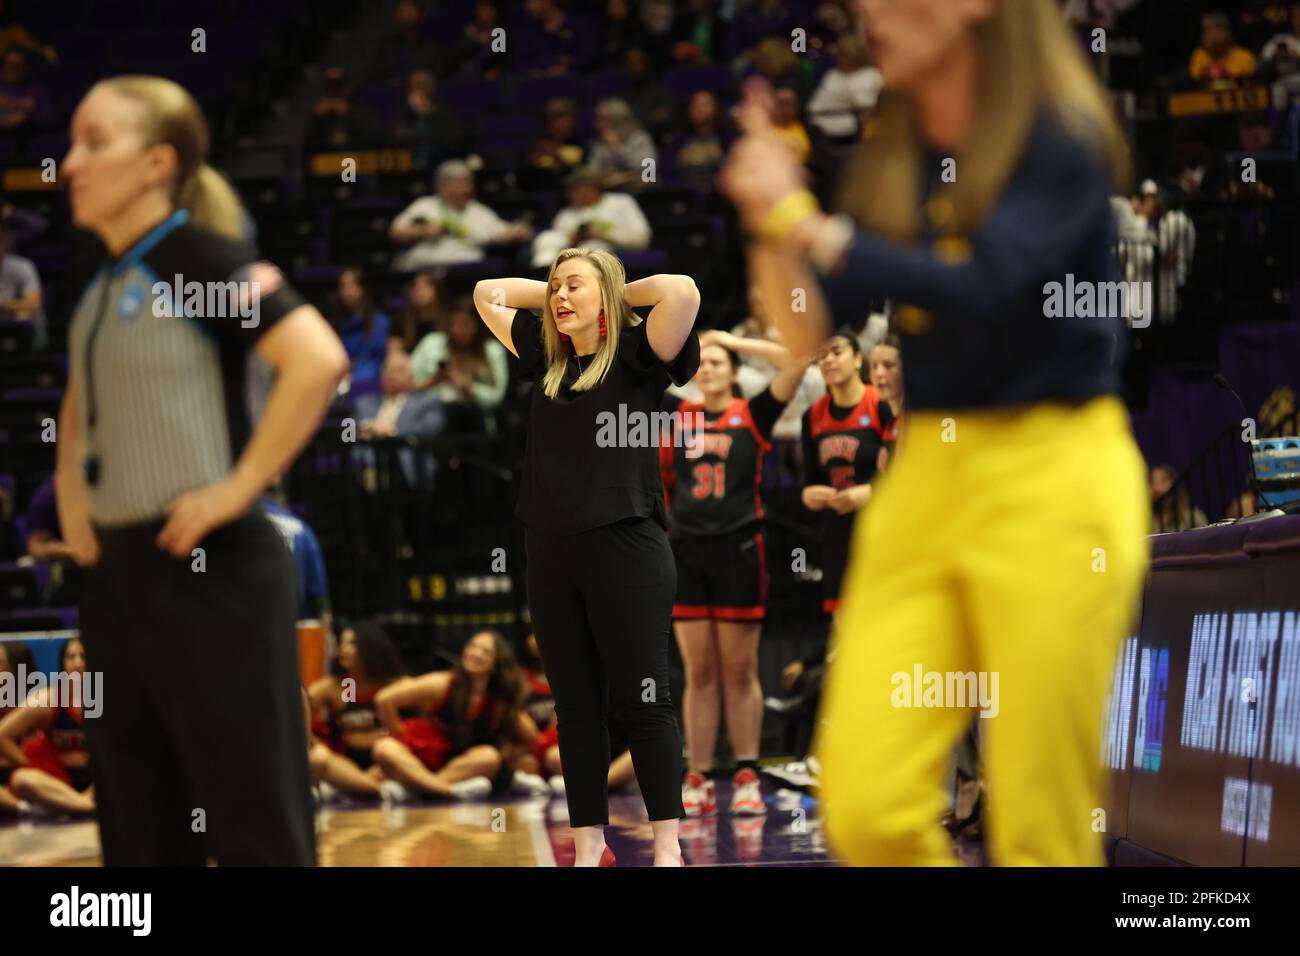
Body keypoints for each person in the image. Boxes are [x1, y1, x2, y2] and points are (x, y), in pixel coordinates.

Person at [719, 0, 1149, 866]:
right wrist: (766, 217)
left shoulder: (1058, 134)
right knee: (867, 809)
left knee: (1041, 830)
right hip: (924, 479)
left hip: (1053, 473)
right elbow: (805, 329)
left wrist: (806, 223)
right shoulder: (897, 154)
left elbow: (988, 284)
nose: (869, 10)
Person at [55, 75, 348, 865]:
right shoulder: (103, 278)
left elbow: (316, 359)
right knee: (137, 830)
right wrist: (71, 489)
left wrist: (238, 488)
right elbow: (82, 397)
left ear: (157, 163)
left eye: (94, 143)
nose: (69, 163)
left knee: (255, 826)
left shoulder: (197, 260)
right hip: (119, 575)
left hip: (211, 568)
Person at [472, 251, 699, 866]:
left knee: (644, 700)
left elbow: (681, 288)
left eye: (573, 286)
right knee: (574, 708)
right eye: (554, 287)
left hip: (626, 546)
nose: (559, 295)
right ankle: (589, 848)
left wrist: (612, 295)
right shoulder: (547, 357)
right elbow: (487, 292)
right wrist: (562, 293)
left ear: (609, 297)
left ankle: (667, 848)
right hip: (548, 548)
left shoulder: (638, 351)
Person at [661, 328, 807, 817]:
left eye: (718, 362)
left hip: (740, 551)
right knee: (699, 672)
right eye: (702, 361)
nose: (708, 368)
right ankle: (698, 776)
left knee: (740, 670)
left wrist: (734, 341)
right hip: (687, 552)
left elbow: (795, 361)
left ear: (735, 372)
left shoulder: (753, 414)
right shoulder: (678, 417)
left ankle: (746, 772)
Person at [372, 630, 523, 802]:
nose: (475, 653)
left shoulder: (500, 699)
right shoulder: (442, 683)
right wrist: (399, 734)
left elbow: (530, 738)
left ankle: (416, 790)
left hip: (457, 763)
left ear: (498, 663)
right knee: (383, 748)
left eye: (485, 651)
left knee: (490, 756)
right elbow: (384, 699)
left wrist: (513, 753)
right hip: (420, 755)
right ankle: (448, 791)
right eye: (472, 646)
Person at [307, 620, 407, 801]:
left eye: (352, 644)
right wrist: (315, 742)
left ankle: (358, 788)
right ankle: (373, 789)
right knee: (319, 759)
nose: (343, 650)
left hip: (386, 761)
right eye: (342, 643)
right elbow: (297, 706)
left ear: (370, 647)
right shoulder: (346, 685)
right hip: (347, 763)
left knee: (395, 757)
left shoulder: (392, 683)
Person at [0, 638, 94, 816]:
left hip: (97, 780)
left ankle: (74, 805)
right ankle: (88, 807)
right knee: (22, 779)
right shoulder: (49, 699)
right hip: (58, 781)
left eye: (83, 656)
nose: (77, 663)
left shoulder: (110, 700)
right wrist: (29, 764)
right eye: (71, 657)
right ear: (62, 663)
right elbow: (2, 735)